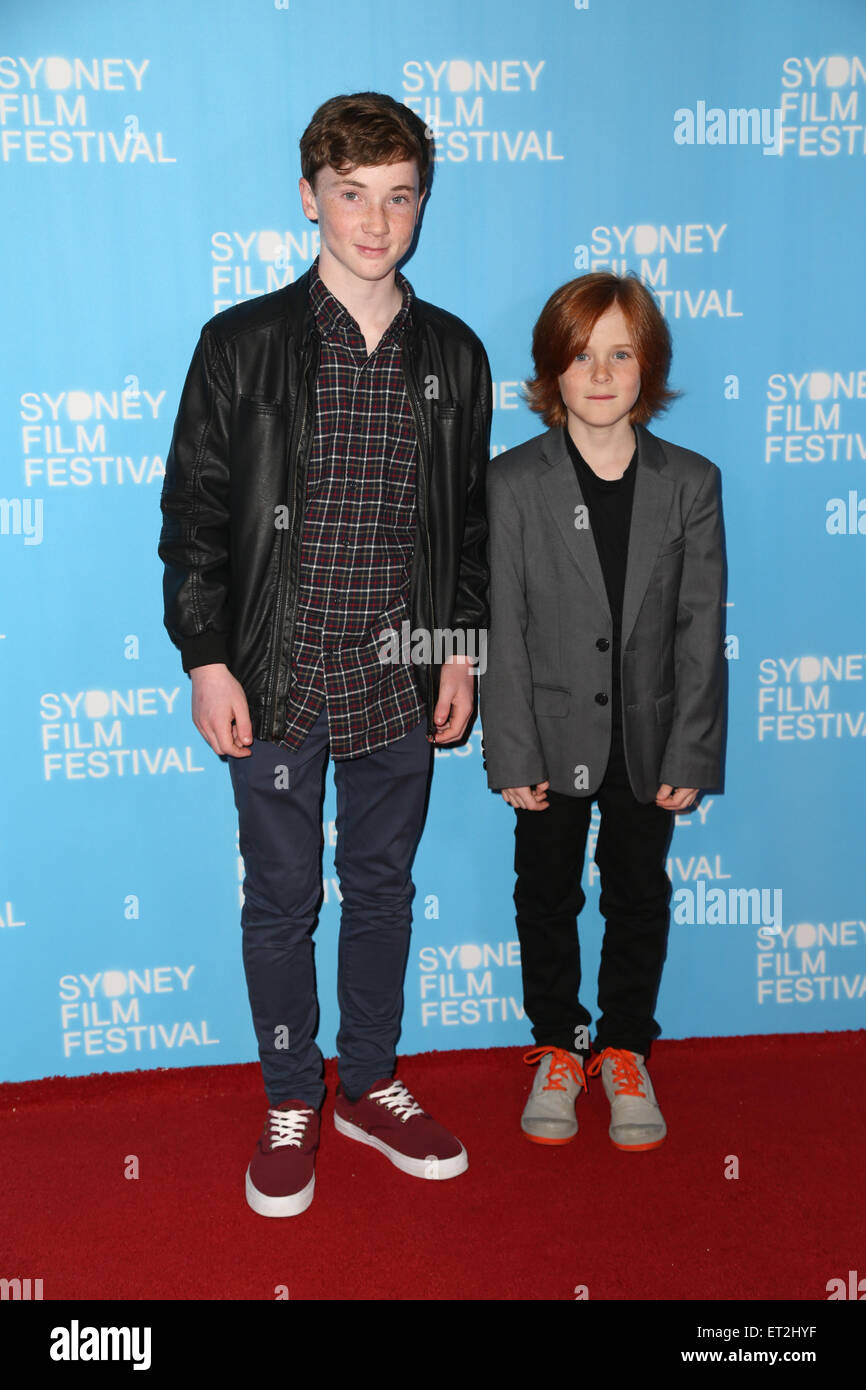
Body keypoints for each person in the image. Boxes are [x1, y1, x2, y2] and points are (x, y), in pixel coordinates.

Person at [158, 92, 491, 1215]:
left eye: (398, 195)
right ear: (309, 199)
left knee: (383, 889)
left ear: (420, 205)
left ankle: (374, 1084)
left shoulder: (454, 355)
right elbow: (196, 518)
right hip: (277, 675)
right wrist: (208, 657)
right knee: (283, 900)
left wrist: (455, 652)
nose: (375, 219)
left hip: (398, 674)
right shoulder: (241, 344)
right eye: (351, 194)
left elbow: (466, 528)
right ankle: (292, 1095)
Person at [480, 272, 725, 1151]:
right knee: (545, 894)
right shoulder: (512, 483)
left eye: (621, 352)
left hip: (648, 742)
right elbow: (501, 624)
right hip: (546, 737)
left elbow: (700, 629)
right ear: (553, 366)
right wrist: (509, 749)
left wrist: (689, 753)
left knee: (636, 894)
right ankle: (555, 1046)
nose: (601, 371)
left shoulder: (692, 482)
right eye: (582, 353)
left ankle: (624, 1047)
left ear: (647, 364)